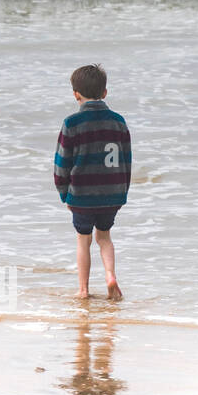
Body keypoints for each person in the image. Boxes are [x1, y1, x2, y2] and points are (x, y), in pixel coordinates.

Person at [53, 64, 131, 299]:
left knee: (83, 240)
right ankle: (110, 275)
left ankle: (84, 290)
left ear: (75, 94)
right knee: (104, 237)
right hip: (112, 194)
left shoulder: (72, 124)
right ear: (105, 92)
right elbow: (126, 161)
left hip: (82, 195)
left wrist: (64, 193)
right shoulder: (118, 122)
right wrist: (122, 192)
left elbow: (62, 164)